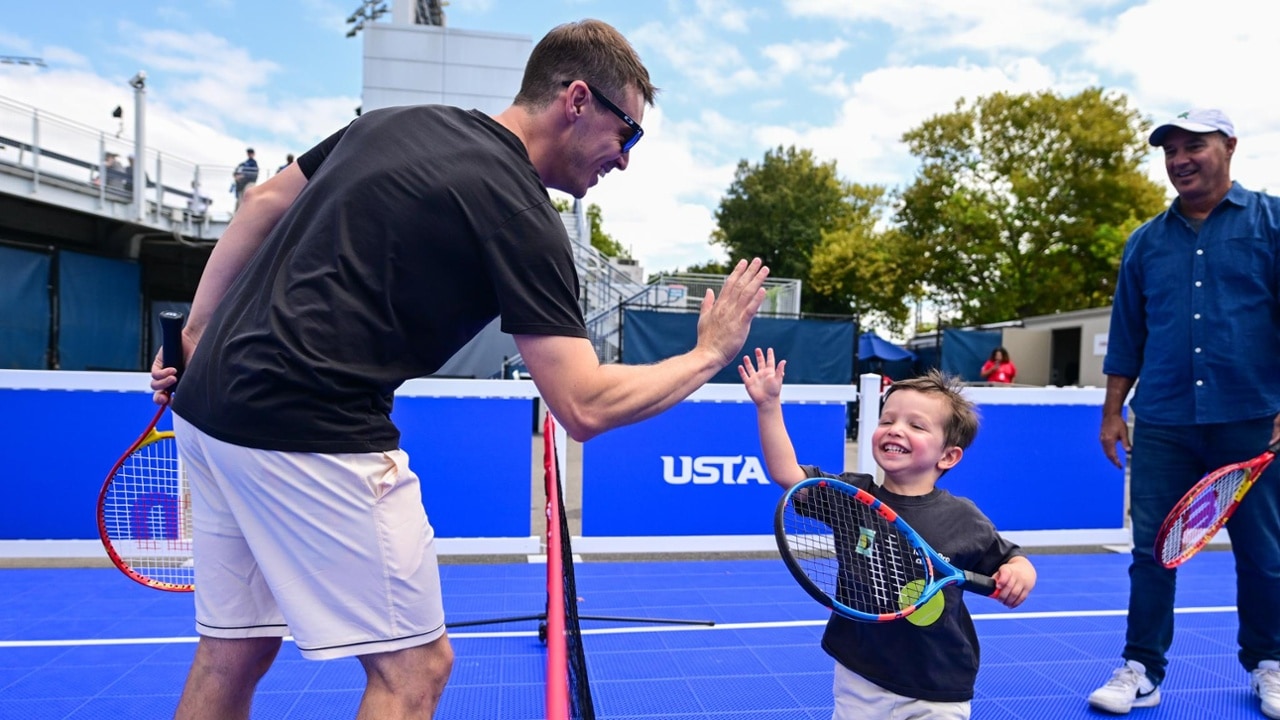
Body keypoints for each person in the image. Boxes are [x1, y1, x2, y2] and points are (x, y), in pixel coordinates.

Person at [148, 19, 769, 720]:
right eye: (626, 133)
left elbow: (261, 204)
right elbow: (584, 404)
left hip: (207, 412)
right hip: (309, 422)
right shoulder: (520, 215)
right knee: (414, 671)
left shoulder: (389, 124)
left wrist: (197, 332)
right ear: (576, 100)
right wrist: (709, 354)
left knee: (233, 652)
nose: (624, 158)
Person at [1092, 107, 1280, 718]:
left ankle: (1271, 663)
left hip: (1255, 418)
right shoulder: (1144, 242)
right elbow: (1128, 331)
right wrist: (1112, 410)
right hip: (1165, 422)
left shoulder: (1274, 222)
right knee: (1152, 551)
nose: (1179, 161)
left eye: (1192, 146)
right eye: (1169, 151)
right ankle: (1141, 668)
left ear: (1228, 145)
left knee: (1265, 553)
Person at [740, 350, 1036, 719]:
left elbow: (1011, 557)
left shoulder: (964, 518)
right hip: (860, 675)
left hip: (938, 682)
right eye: (887, 420)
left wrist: (1020, 573)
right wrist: (768, 404)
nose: (896, 429)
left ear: (948, 456)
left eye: (917, 425)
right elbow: (788, 474)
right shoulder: (851, 497)